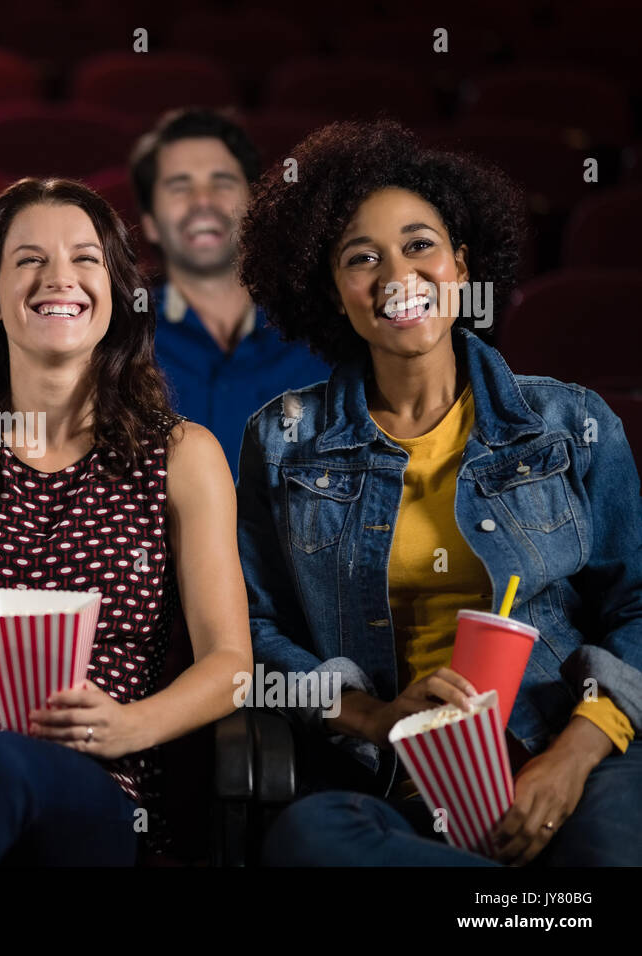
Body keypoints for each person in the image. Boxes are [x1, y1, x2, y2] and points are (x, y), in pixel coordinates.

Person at [234, 120, 642, 866]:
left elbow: (637, 608)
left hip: (563, 753)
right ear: (330, 289)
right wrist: (371, 717)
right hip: (394, 780)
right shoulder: (281, 441)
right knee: (308, 841)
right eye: (362, 258)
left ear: (461, 259)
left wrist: (576, 756)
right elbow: (257, 634)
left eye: (420, 245)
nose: (397, 277)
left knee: (617, 847)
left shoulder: (572, 422)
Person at [0, 178, 252, 866]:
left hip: (96, 772)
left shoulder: (185, 455)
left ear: (115, 293)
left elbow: (232, 665)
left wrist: (131, 725)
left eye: (85, 259)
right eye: (29, 259)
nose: (60, 276)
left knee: (3, 765)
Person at [129, 108, 328, 481]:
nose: (203, 200)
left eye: (221, 182)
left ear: (256, 206)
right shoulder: (117, 339)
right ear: (152, 224)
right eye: (179, 185)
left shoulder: (323, 332)